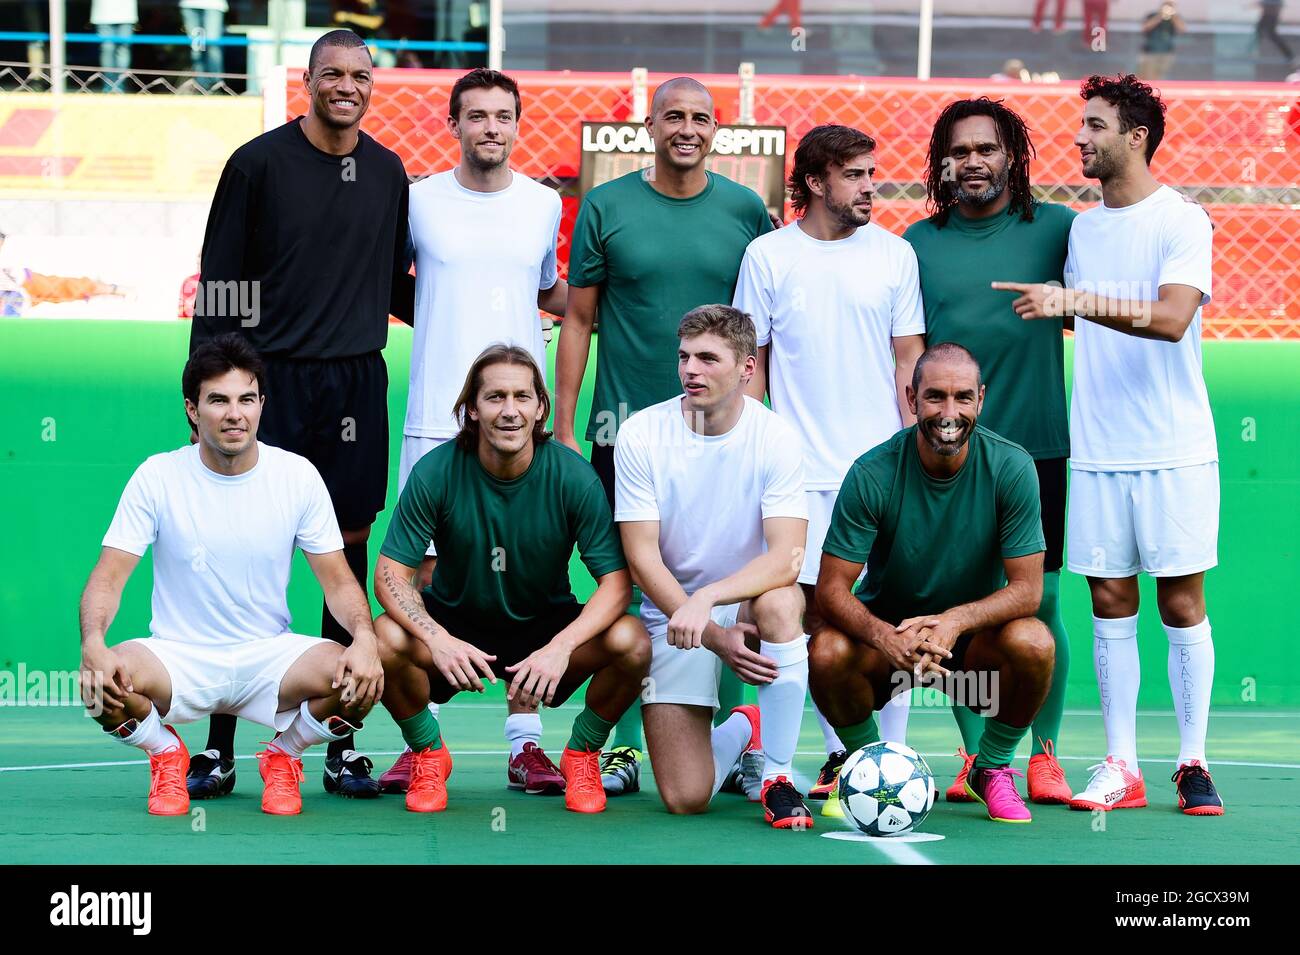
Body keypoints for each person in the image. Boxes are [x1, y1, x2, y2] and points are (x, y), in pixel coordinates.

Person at [187, 28, 411, 799]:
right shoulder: (257, 165)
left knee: (341, 563)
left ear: (373, 84)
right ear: (308, 81)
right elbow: (221, 287)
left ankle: (335, 743)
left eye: (361, 74)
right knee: (250, 559)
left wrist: (507, 305)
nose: (347, 85)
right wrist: (215, 396)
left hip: (353, 388)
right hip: (271, 384)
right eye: (333, 73)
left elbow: (395, 286)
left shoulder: (386, 172)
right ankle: (219, 745)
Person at [992, 73, 1224, 815]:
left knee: (1182, 603)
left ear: (1136, 136)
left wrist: (1074, 301)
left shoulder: (1181, 220)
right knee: (1109, 600)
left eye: (1094, 125)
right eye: (1080, 124)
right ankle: (1121, 763)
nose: (1080, 138)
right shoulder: (1081, 228)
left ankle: (1192, 761)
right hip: (1095, 450)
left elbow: (1169, 318)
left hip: (1176, 446)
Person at [557, 76, 774, 796]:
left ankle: (746, 732)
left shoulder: (746, 210)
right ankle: (618, 746)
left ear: (718, 131)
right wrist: (563, 427)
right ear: (648, 126)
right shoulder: (607, 206)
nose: (687, 128)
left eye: (701, 118)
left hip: (720, 434)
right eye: (673, 116)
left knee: (739, 581)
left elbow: (756, 329)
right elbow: (579, 321)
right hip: (625, 434)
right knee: (626, 589)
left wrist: (758, 416)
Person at [77, 335, 384, 817]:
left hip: (270, 655)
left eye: (246, 399)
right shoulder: (157, 476)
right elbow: (109, 577)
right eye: (217, 400)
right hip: (178, 656)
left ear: (262, 404)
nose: (234, 413)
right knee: (99, 688)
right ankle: (165, 753)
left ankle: (283, 755)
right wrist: (93, 640)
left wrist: (364, 637)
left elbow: (339, 581)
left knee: (361, 681)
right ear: (193, 410)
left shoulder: (297, 475)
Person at [377, 67, 569, 797]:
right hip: (435, 419)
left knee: (534, 574)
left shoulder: (543, 206)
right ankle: (424, 741)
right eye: (477, 115)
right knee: (422, 580)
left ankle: (526, 745)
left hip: (522, 421)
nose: (491, 127)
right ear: (452, 124)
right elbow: (395, 281)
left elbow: (549, 289)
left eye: (503, 116)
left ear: (518, 125)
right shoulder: (418, 200)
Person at [732, 123, 924, 807]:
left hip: (879, 475)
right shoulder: (767, 256)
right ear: (815, 181)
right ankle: (838, 751)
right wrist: (758, 459)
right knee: (805, 615)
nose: (871, 186)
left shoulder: (896, 255)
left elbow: (910, 362)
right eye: (856, 174)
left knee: (887, 618)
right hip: (796, 476)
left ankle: (893, 753)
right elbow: (752, 367)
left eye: (873, 173)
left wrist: (914, 461)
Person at [372, 344, 651, 814]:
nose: (509, 410)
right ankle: (427, 753)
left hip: (544, 630)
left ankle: (583, 753)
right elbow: (389, 575)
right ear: (472, 409)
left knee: (633, 640)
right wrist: (437, 638)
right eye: (495, 397)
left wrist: (559, 648)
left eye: (522, 397)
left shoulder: (573, 476)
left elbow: (617, 583)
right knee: (384, 636)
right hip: (456, 627)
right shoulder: (436, 471)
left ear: (541, 407)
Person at [903, 98, 1076, 806]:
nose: (974, 160)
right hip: (948, 451)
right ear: (943, 161)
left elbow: (1136, 248)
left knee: (1044, 603)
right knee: (962, 606)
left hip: (1037, 447)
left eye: (988, 148)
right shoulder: (916, 240)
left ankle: (1042, 755)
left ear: (1014, 157)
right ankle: (978, 758)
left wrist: (1183, 216)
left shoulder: (1059, 229)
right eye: (960, 149)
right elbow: (907, 347)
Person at [809, 343, 1055, 824]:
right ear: (911, 398)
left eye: (963, 397)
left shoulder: (1012, 466)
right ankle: (865, 767)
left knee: (1034, 641)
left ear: (981, 399)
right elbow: (830, 590)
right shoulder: (872, 472)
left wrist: (954, 622)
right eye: (935, 397)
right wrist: (886, 636)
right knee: (826, 650)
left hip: (969, 661)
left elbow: (1028, 590)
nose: (949, 412)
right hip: (890, 651)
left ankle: (992, 768)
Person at [616, 305, 813, 829]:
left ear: (748, 368)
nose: (690, 370)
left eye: (707, 358)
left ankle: (779, 775)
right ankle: (745, 727)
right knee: (685, 797)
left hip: (743, 604)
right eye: (684, 357)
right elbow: (641, 557)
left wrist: (710, 599)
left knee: (781, 600)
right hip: (674, 617)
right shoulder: (640, 433)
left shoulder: (777, 437)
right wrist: (703, 624)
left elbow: (787, 557)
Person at [179, 0, 227, 89]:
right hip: (190, 5)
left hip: (214, 5)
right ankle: (200, 87)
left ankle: (216, 86)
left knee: (213, 47)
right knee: (196, 48)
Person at [90, 0, 136, 93]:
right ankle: (109, 87)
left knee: (122, 51)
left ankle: (119, 87)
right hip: (103, 14)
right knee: (108, 49)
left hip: (127, 14)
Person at [1138, 4, 1185, 81]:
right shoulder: (1152, 15)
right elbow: (1145, 27)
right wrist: (1159, 16)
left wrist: (1174, 16)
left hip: (1167, 52)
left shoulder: (1175, 18)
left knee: (1162, 76)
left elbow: (1182, 29)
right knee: (1147, 75)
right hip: (1150, 52)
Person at [1253, 0, 1295, 66]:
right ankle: (1252, 51)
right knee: (1259, 31)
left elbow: (1276, 4)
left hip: (1271, 16)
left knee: (1271, 35)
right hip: (1267, 16)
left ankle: (1288, 55)